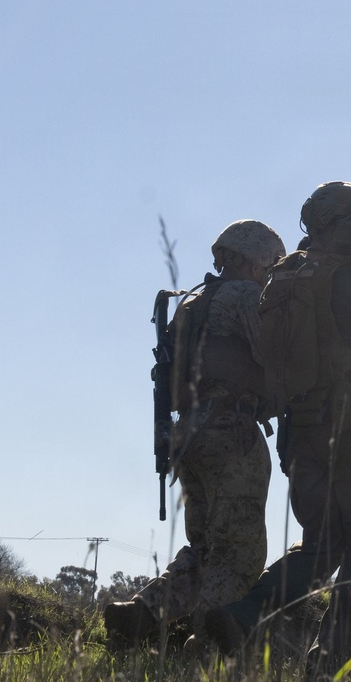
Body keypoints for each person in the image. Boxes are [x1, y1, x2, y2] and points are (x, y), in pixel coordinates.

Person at [206, 181, 351, 672]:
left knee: (322, 544)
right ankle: (325, 668)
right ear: (345, 224)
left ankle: (243, 614)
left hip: (299, 432)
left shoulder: (282, 278)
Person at [104, 218, 286, 647]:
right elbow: (275, 356)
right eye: (269, 266)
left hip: (191, 435)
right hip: (232, 430)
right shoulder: (244, 295)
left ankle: (141, 614)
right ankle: (208, 641)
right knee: (239, 554)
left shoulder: (193, 300)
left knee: (204, 549)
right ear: (258, 259)